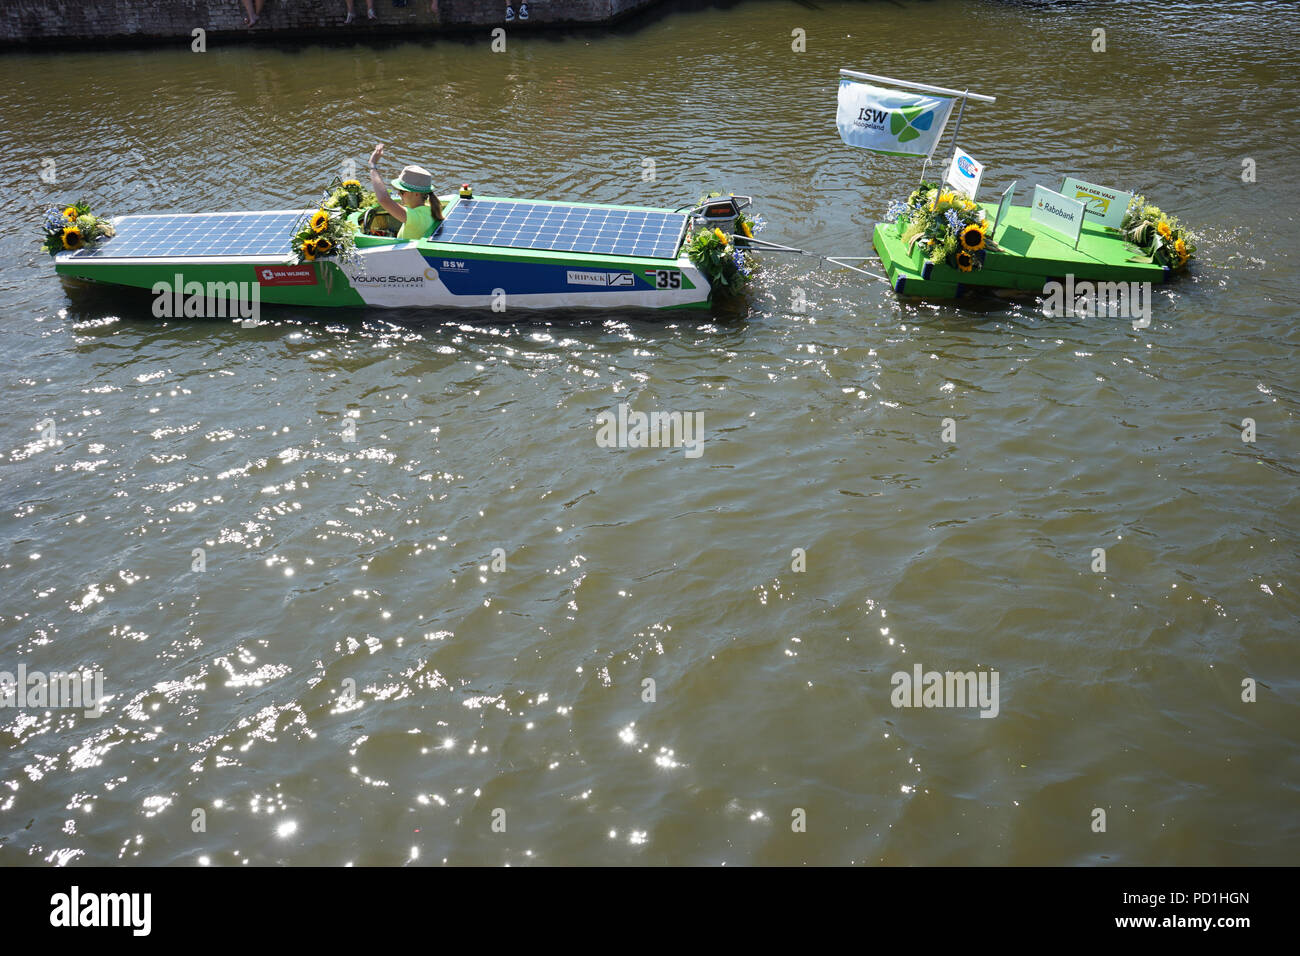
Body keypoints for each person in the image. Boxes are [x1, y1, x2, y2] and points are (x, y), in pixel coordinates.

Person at [368, 145, 444, 241]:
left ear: (416, 193)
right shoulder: (430, 209)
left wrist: (373, 166)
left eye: (402, 191)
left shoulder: (415, 218)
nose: (398, 194)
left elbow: (384, 199)